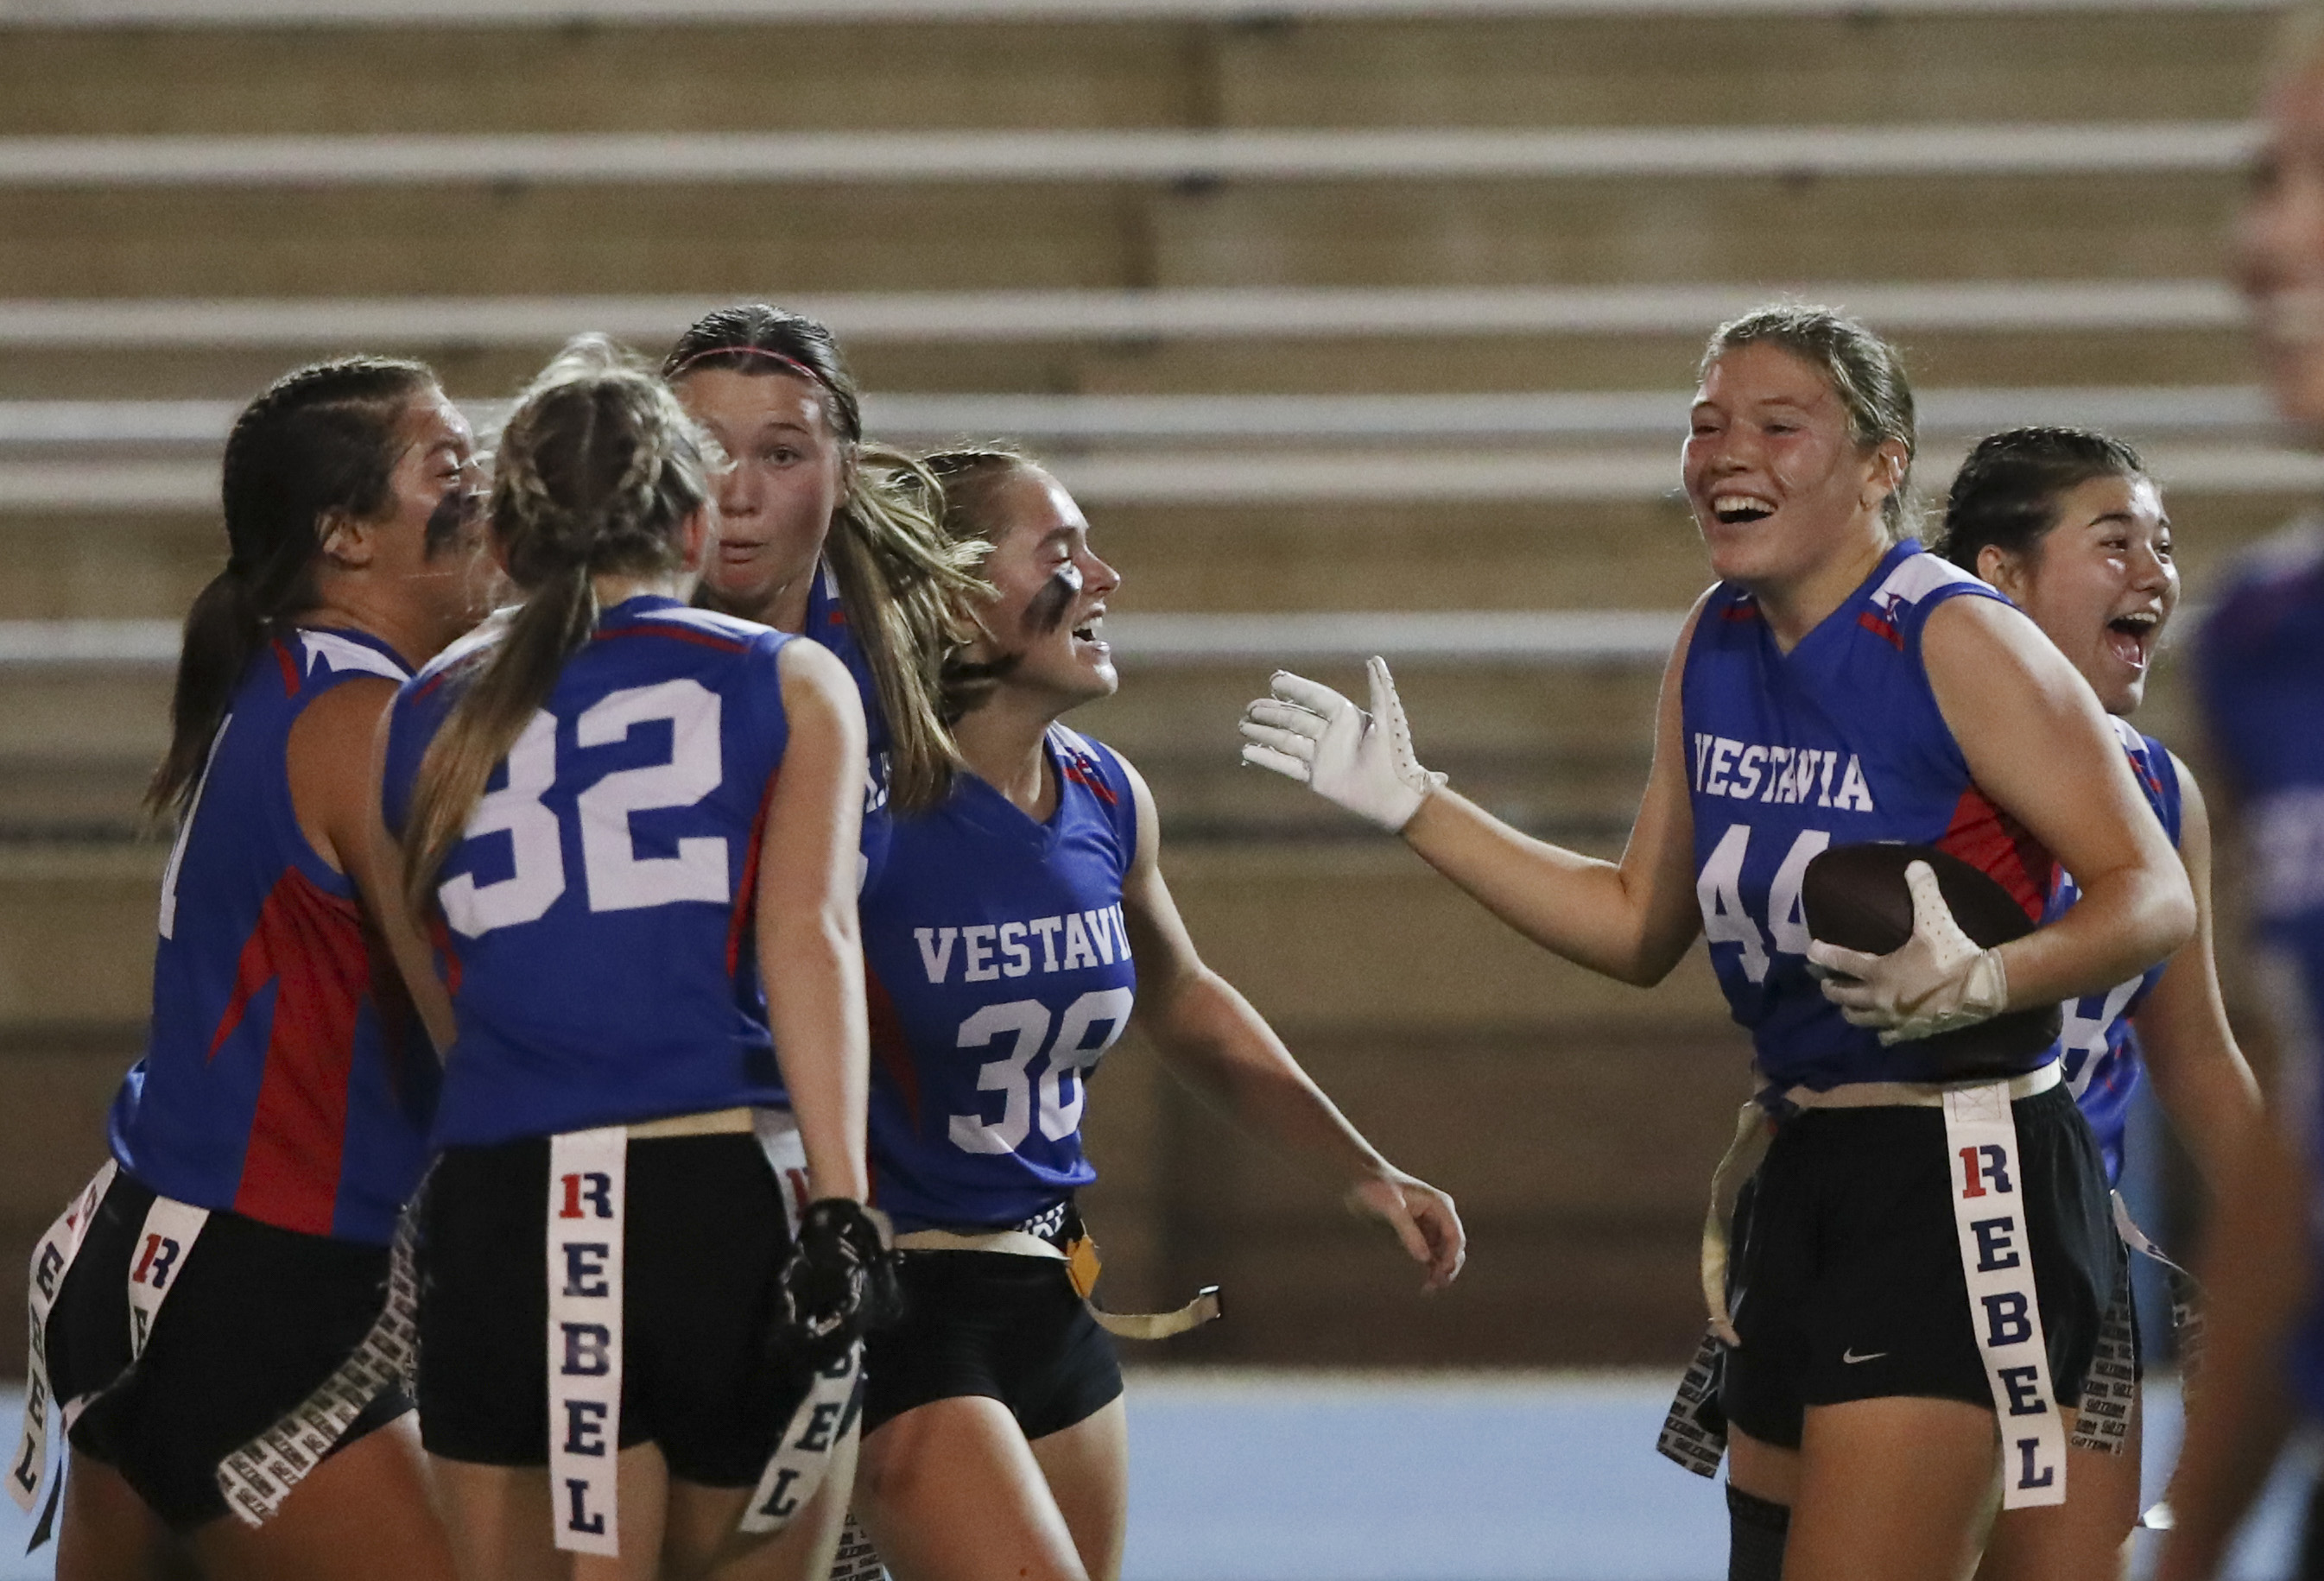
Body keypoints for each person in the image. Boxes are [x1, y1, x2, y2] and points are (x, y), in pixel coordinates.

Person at [1240, 306, 2195, 1581]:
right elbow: (1637, 922)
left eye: (1775, 424)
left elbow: (2148, 893)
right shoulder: (1714, 639)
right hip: (1802, 1162)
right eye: (1703, 423)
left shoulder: (1952, 634)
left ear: (1879, 462)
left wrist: (1988, 972)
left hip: (1961, 1175)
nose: (1721, 451)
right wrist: (1420, 805)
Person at [844, 446, 1466, 1581]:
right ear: (952, 592)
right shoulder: (858, 800)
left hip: (1042, 1278)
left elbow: (1179, 994)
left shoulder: (1102, 791)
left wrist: (1360, 1166)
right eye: (1060, 549)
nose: (1103, 575)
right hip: (890, 1293)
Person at [376, 336, 895, 1581]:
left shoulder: (424, 709)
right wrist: (842, 1201)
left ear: (499, 537)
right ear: (689, 516)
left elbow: (457, 971)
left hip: (502, 1205)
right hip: (706, 1192)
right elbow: (809, 941)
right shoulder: (786, 677)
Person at [13, 357, 483, 1579]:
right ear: (344, 532)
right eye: (449, 466)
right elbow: (476, 1029)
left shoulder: (289, 679)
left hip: (150, 1256)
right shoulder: (371, 724)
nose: (486, 493)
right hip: (262, 1292)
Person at [1932, 428, 2264, 1581]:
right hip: (1904, 1248)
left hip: (2070, 1266)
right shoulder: (1906, 763)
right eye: (2112, 539)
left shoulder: (2157, 790)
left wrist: (2297, 1243)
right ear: (1999, 577)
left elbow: (2195, 1057)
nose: (2153, 570)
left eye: (2162, 545)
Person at [2156, 9, 2324, 1570]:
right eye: (2262, 178)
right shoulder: (2273, 645)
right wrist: (2189, 1541)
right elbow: (2307, 1128)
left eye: (2319, 180)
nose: (2262, 242)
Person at [659, 302, 987, 887]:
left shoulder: (915, 633)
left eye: (781, 454)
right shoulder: (585, 651)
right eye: (706, 452)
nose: (738, 495)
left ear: (846, 473)